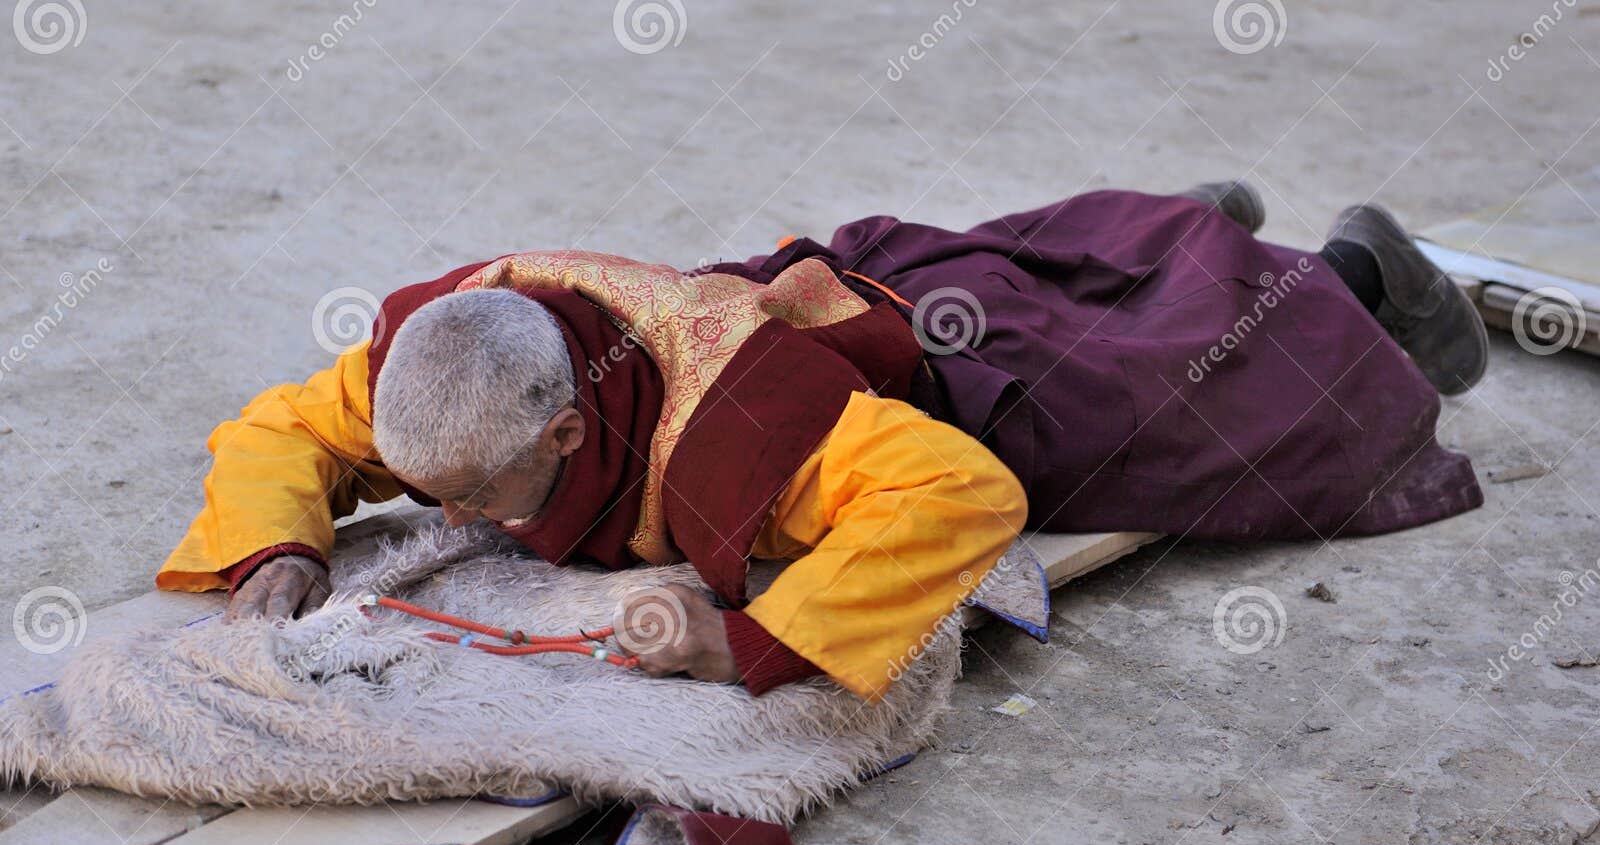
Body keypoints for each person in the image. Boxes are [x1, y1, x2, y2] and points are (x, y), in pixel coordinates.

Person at [157, 182, 1485, 699]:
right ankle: (1175, 241)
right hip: (817, 296)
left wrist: (746, 641)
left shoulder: (741, 434)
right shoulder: (441, 348)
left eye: (472, 498)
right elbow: (290, 424)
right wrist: (280, 546)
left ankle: (1357, 277)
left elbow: (957, 492)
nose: (447, 524)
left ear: (567, 427)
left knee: (1182, 409)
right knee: (1017, 274)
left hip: (930, 382)